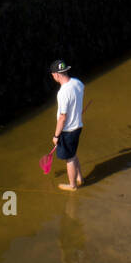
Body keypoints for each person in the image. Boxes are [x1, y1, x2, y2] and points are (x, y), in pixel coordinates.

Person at [49, 60, 85, 191]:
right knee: (73, 153)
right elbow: (77, 99)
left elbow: (62, 117)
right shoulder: (78, 83)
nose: (53, 77)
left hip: (68, 130)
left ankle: (73, 185)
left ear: (57, 75)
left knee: (69, 158)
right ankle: (80, 177)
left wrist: (56, 135)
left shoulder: (63, 93)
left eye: (53, 75)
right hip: (78, 126)